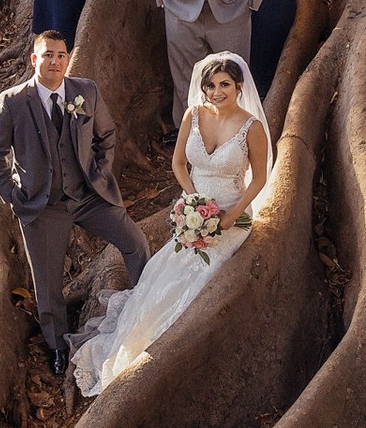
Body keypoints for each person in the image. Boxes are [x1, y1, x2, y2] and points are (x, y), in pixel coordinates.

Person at [70, 54, 272, 397]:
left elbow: (259, 179)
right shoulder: (194, 115)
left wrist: (229, 215)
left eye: (225, 84)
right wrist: (194, 200)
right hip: (194, 211)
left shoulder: (251, 127)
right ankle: (137, 347)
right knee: (165, 273)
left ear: (239, 86)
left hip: (232, 214)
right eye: (210, 85)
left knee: (199, 278)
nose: (217, 91)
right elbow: (179, 164)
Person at [0, 33, 150, 375]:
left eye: (61, 55)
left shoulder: (84, 91)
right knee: (47, 286)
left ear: (68, 58)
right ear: (34, 60)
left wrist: (99, 173)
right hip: (43, 207)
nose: (55, 61)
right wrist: (12, 194)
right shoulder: (14, 101)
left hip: (89, 197)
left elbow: (106, 134)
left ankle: (146, 313)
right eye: (48, 55)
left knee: (136, 243)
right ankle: (58, 346)